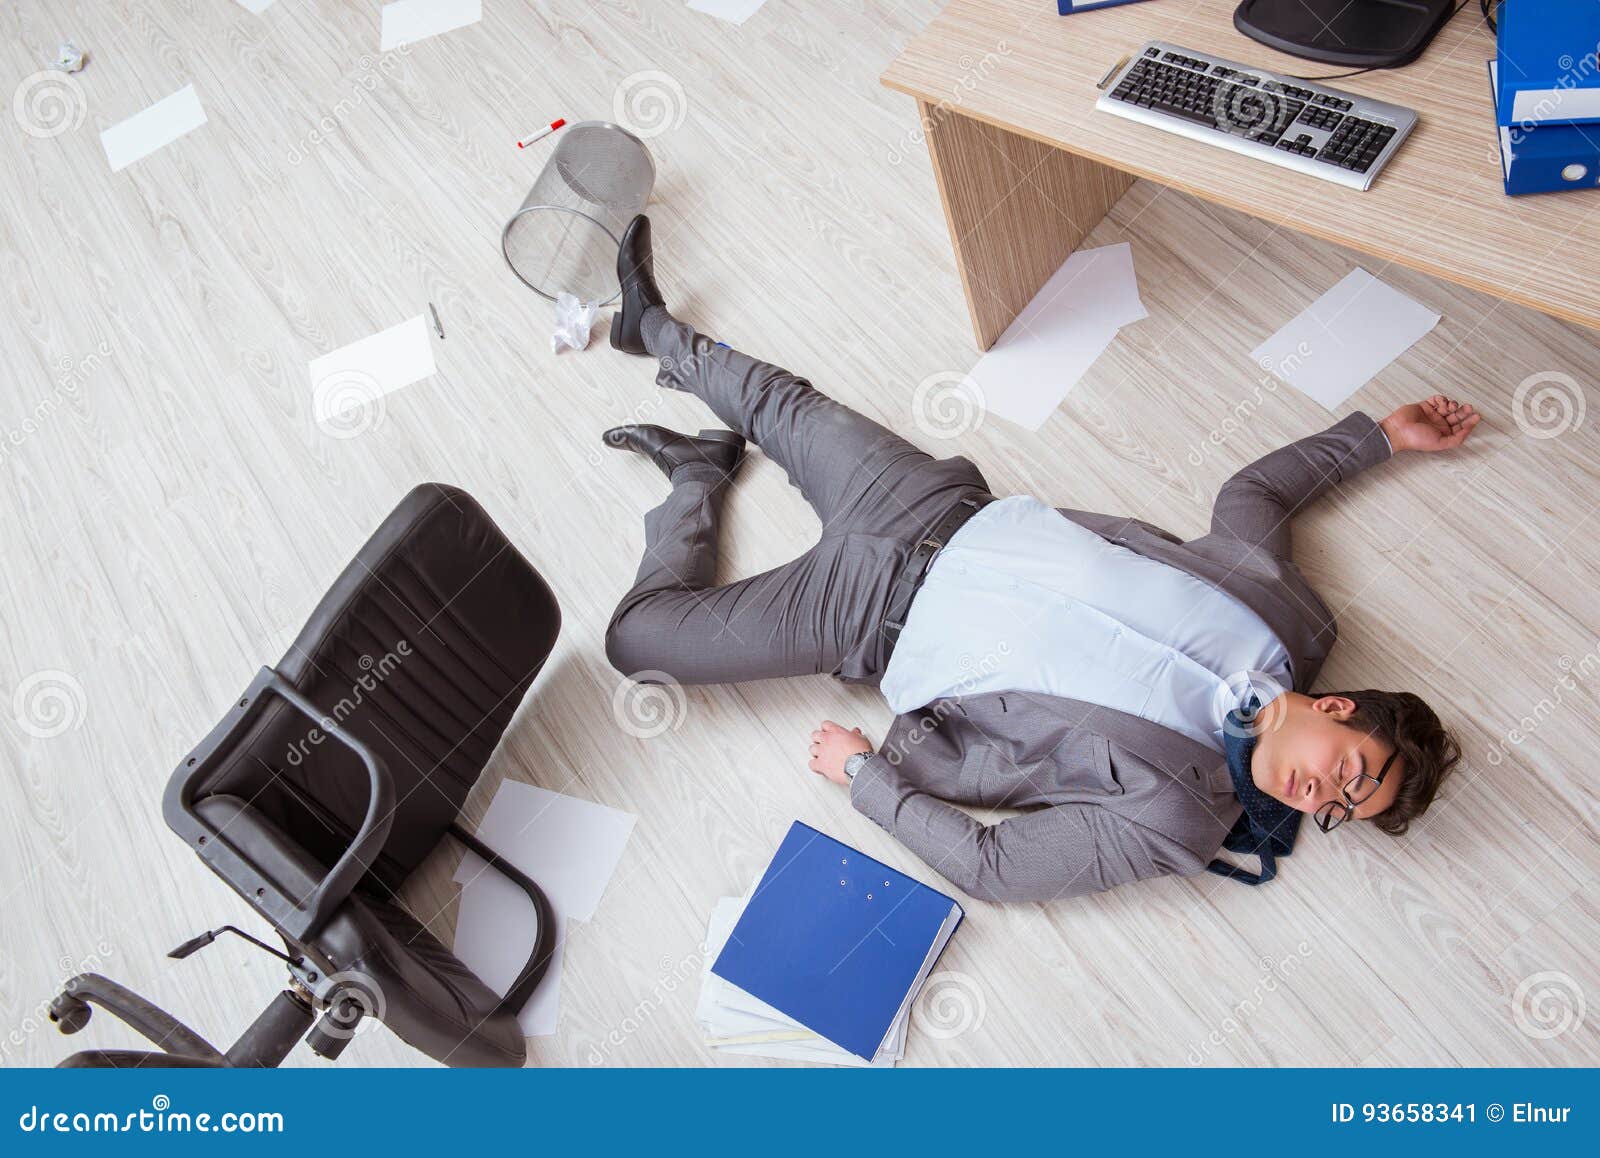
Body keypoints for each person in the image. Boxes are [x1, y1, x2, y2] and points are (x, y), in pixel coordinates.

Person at [600, 215, 1474, 904]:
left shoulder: (1181, 815)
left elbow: (996, 867)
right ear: (1337, 706)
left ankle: (692, 477)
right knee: (780, 403)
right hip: (934, 507)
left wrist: (864, 777)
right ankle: (653, 331)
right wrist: (1377, 439)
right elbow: (1255, 500)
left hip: (865, 619)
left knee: (640, 643)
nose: (1319, 797)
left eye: (1336, 813)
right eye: (1349, 774)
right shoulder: (1285, 618)